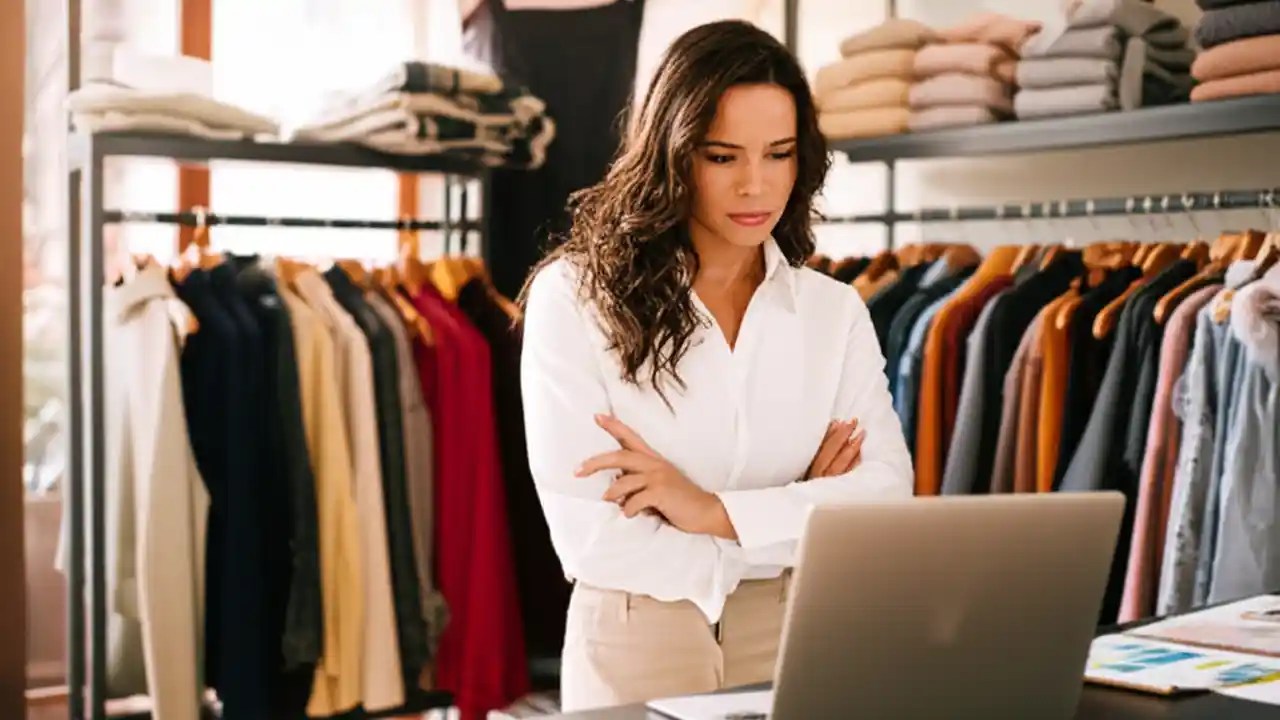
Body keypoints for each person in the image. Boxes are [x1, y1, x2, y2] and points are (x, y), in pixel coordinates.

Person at [517, 19, 914, 712]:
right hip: (637, 637)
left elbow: (883, 498)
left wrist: (704, 509)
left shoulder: (834, 311)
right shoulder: (574, 299)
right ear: (673, 155)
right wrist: (790, 521)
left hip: (797, 632)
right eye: (722, 157)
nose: (756, 185)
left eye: (780, 153)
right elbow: (592, 538)